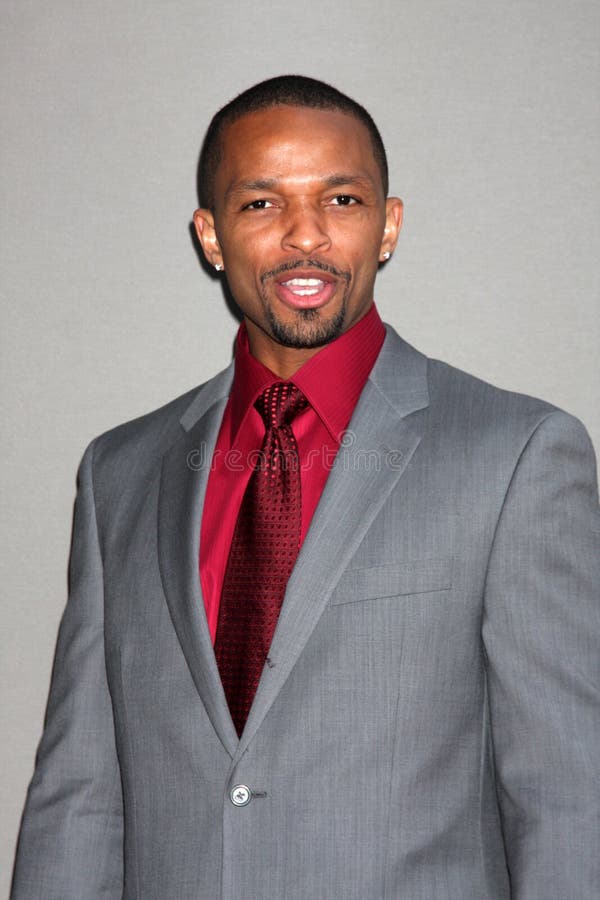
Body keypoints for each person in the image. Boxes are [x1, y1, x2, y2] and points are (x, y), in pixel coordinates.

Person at [11, 75, 600, 899]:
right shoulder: (120, 474)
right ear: (211, 236)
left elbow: (568, 803)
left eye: (342, 200)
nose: (305, 235)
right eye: (262, 204)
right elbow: (78, 798)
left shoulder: (517, 456)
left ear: (388, 225)